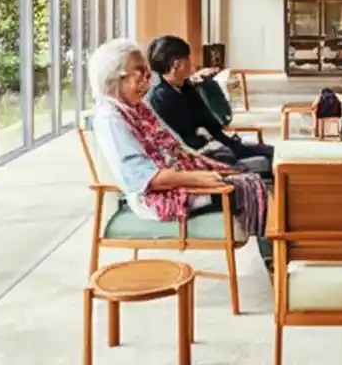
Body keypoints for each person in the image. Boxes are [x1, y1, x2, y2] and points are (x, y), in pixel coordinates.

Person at [88, 38, 272, 269]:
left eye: (148, 73)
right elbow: (143, 178)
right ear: (117, 77)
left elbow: (180, 145)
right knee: (258, 188)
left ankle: (278, 258)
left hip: (176, 177)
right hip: (158, 196)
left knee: (253, 179)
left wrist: (206, 168)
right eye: (141, 73)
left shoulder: (135, 107)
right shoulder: (111, 118)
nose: (148, 79)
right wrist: (201, 178)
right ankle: (275, 264)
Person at [145, 35, 274, 177]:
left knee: (272, 153)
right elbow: (183, 141)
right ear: (177, 64)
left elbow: (210, 123)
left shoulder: (186, 87)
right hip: (197, 160)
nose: (191, 64)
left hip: (213, 146)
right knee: (266, 162)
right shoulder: (160, 98)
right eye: (188, 59)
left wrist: (233, 146)